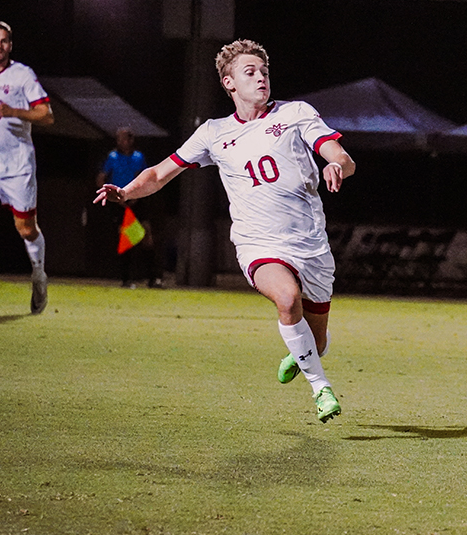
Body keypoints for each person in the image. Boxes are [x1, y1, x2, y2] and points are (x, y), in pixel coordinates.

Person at [95, 39, 356, 423]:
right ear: (229, 83)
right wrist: (127, 193)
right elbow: (159, 174)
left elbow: (339, 155)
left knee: (316, 341)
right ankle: (322, 389)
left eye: (264, 72)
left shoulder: (296, 113)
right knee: (287, 298)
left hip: (310, 244)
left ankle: (301, 351)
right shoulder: (213, 133)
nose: (261, 78)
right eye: (250, 72)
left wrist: (337, 166)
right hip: (257, 242)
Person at [0, 20, 53, 315]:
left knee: (25, 228)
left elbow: (47, 115)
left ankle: (39, 276)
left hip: (18, 163)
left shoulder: (22, 75)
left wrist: (13, 111)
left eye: (4, 41)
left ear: (10, 45)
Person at [96, 127, 164, 289]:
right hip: (119, 203)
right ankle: (126, 279)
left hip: (136, 200)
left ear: (131, 140)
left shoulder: (138, 157)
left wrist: (136, 195)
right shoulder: (112, 156)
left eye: (124, 139)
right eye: (119, 139)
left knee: (146, 237)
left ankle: (152, 278)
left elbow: (144, 177)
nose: (122, 142)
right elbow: (101, 177)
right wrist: (113, 196)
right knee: (126, 238)